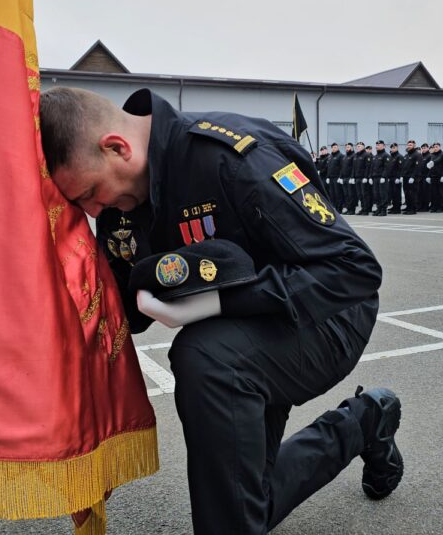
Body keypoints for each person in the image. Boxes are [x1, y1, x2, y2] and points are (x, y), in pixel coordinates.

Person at [38, 87, 404, 535]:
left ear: (117, 147)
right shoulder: (120, 204)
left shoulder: (233, 159)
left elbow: (353, 271)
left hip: (327, 316)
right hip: (244, 338)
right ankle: (367, 420)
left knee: (202, 356)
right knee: (244, 506)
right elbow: (121, 313)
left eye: (92, 193)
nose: (94, 210)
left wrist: (219, 301)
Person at [353, 141, 372, 215]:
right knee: (360, 195)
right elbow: (354, 168)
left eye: (360, 146)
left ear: (363, 147)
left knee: (365, 194)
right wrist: (353, 177)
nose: (358, 147)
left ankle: (366, 210)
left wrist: (366, 177)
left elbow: (368, 167)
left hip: (363, 178)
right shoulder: (356, 155)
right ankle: (363, 208)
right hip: (357, 178)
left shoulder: (366, 155)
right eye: (357, 146)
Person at [371, 140, 390, 216]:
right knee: (376, 194)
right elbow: (372, 167)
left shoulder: (386, 155)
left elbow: (387, 167)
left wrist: (383, 176)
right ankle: (379, 208)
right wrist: (371, 177)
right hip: (375, 178)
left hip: (382, 178)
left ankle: (383, 210)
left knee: (383, 194)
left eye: (379, 145)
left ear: (383, 146)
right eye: (377, 145)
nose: (377, 146)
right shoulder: (375, 156)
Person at [401, 140, 419, 214]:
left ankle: (413, 209)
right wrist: (402, 176)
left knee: (412, 194)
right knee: (407, 194)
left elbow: (417, 167)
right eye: (408, 145)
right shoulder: (407, 155)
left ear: (414, 146)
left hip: (412, 178)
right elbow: (403, 167)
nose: (409, 146)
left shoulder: (417, 155)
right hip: (406, 177)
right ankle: (408, 208)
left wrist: (413, 177)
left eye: (410, 145)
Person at [427, 142, 443, 213]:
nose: (435, 148)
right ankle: (434, 207)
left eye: (437, 147)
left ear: (440, 147)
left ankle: (441, 207)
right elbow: (430, 167)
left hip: (440, 176)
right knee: (433, 193)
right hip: (433, 176)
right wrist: (428, 176)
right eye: (434, 147)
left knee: (441, 193)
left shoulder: (442, 155)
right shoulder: (432, 155)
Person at [386, 143, 403, 214]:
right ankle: (394, 206)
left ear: (397, 148)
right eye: (392, 148)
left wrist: (399, 177)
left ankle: (397, 208)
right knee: (391, 193)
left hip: (396, 178)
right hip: (391, 178)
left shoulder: (399, 156)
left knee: (397, 194)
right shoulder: (391, 156)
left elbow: (401, 168)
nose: (393, 149)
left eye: (394, 147)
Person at [327, 142, 344, 212]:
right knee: (332, 193)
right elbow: (329, 167)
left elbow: (342, 167)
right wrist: (328, 177)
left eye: (336, 147)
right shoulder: (330, 156)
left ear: (338, 148)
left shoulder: (340, 156)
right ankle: (333, 207)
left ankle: (339, 208)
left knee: (338, 193)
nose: (334, 148)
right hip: (331, 178)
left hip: (337, 177)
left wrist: (340, 177)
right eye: (333, 147)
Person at [340, 142, 356, 214]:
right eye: (346, 147)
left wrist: (352, 177)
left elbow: (353, 168)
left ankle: (352, 209)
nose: (347, 148)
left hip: (350, 178)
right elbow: (342, 168)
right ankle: (348, 208)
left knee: (351, 194)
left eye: (348, 147)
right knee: (346, 195)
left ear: (352, 148)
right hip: (344, 178)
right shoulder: (345, 156)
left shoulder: (354, 156)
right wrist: (340, 177)